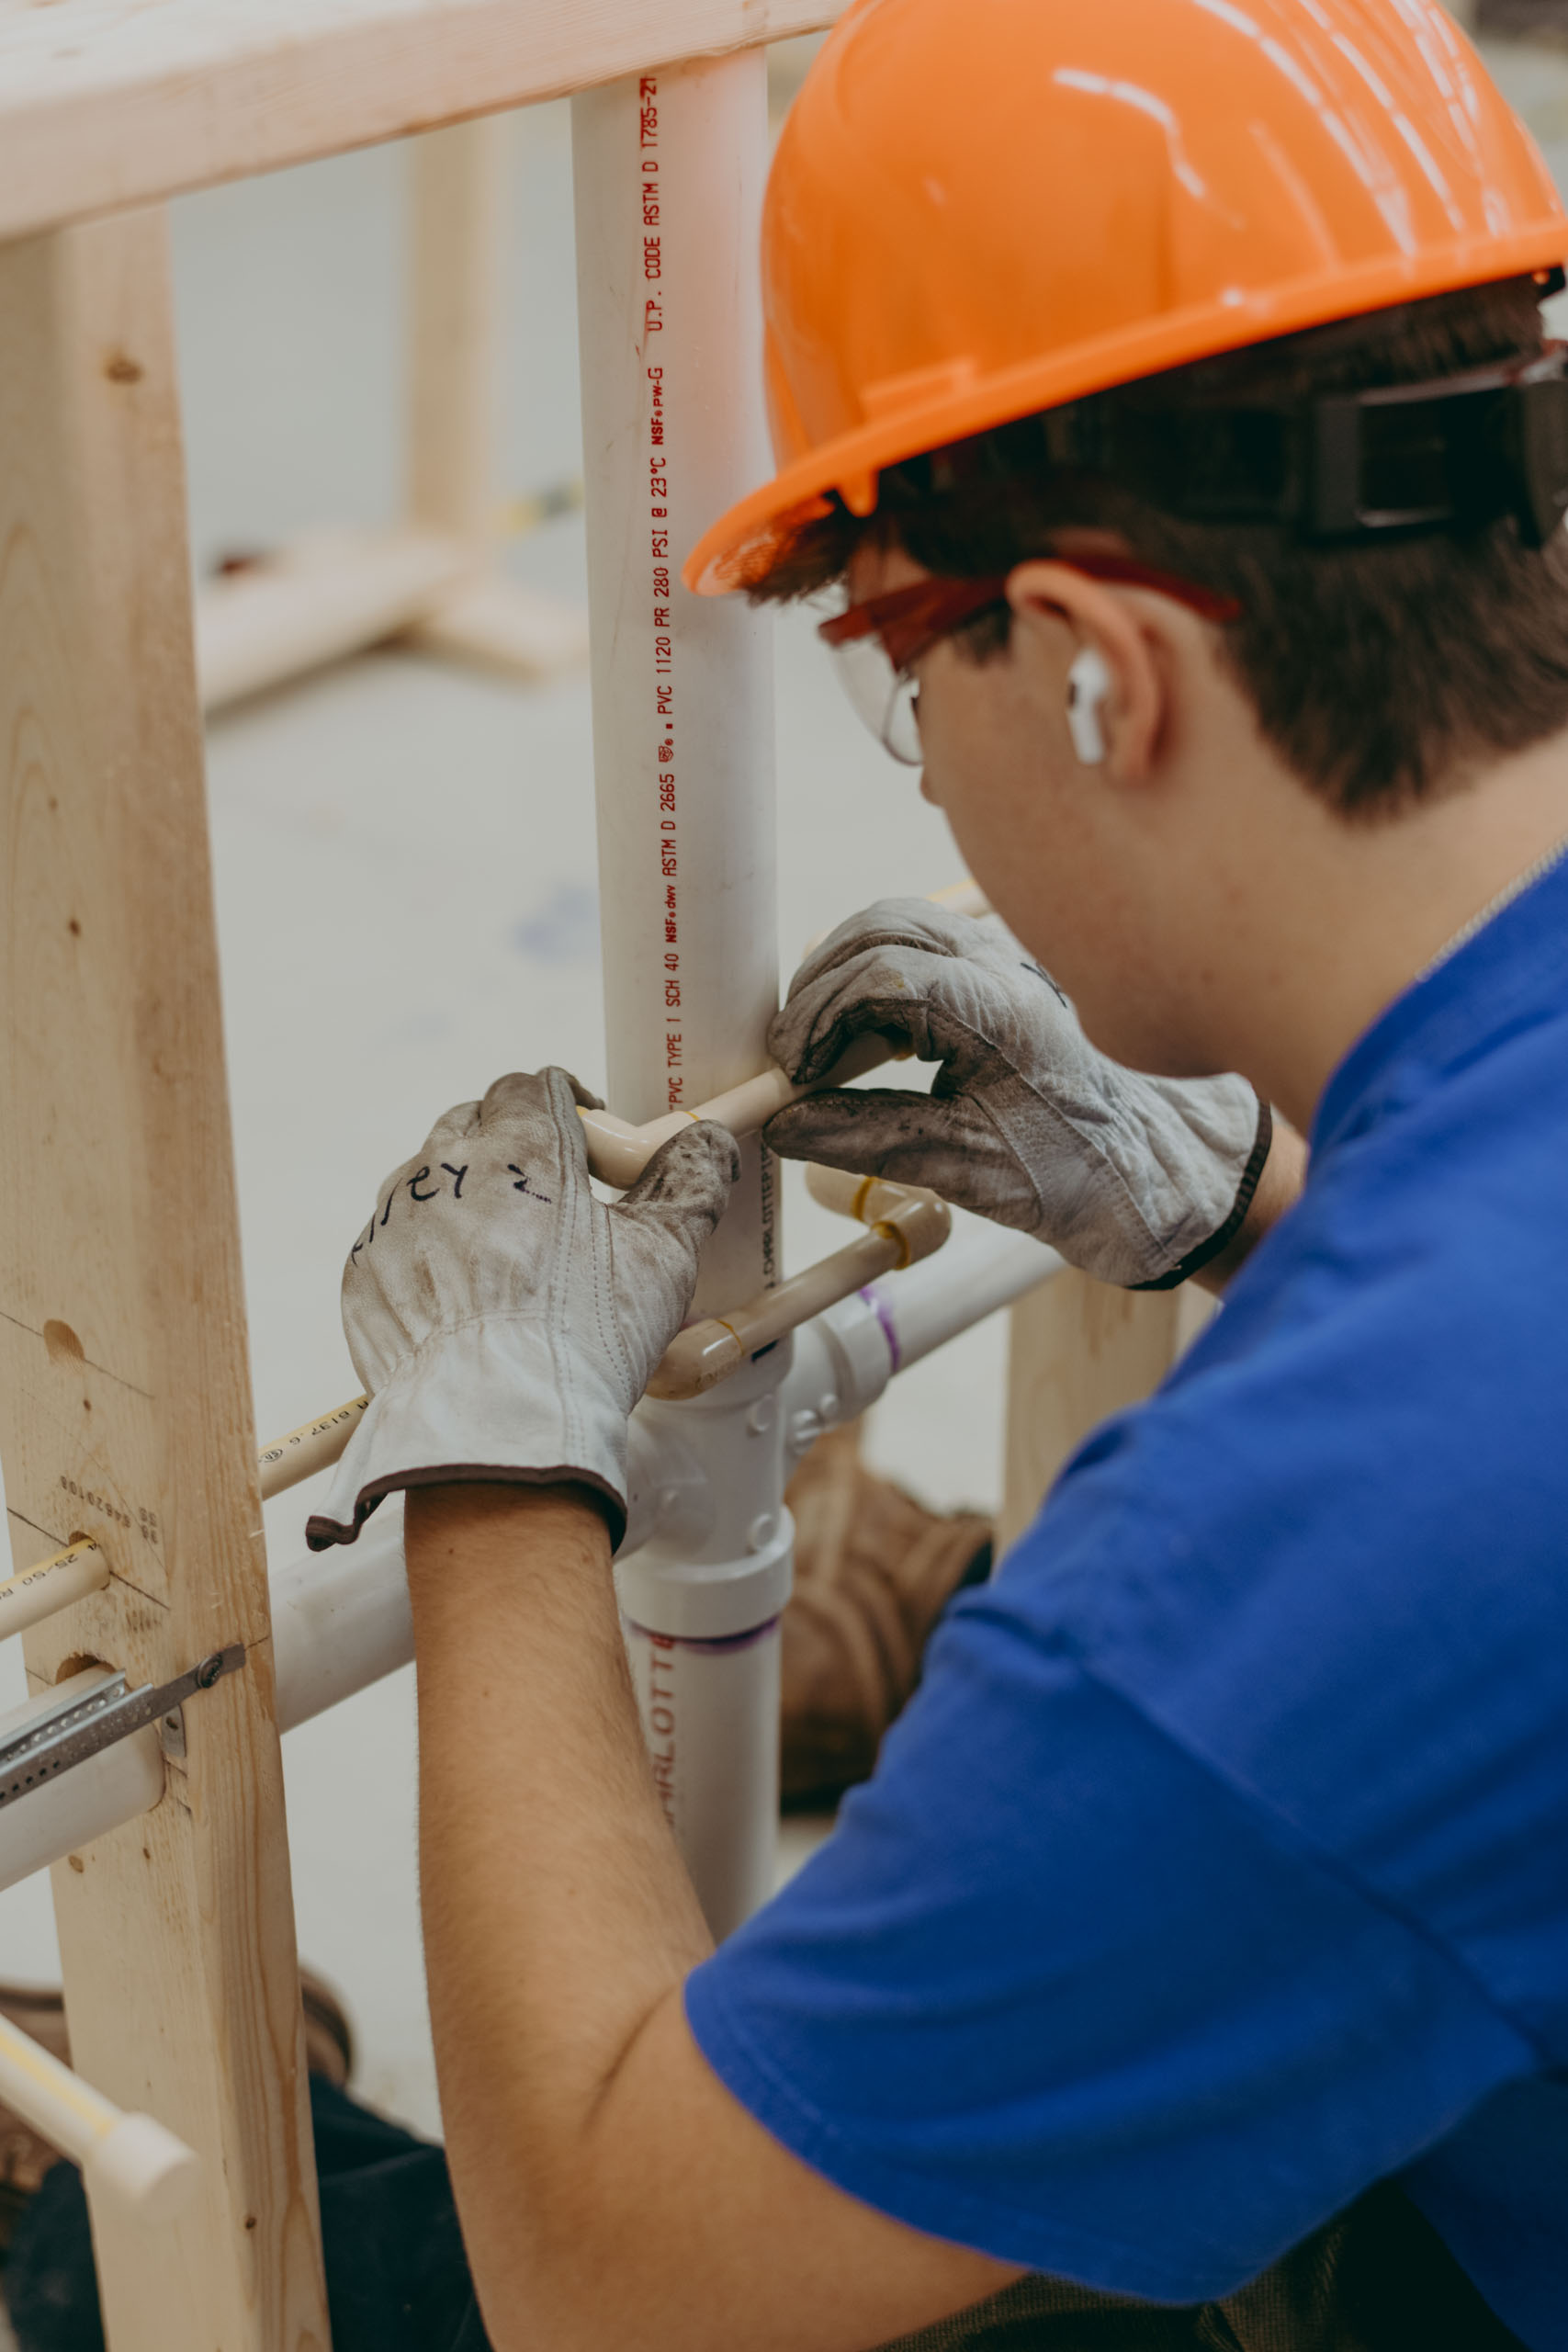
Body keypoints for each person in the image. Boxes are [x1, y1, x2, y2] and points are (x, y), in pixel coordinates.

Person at [274, 1, 1568, 2345]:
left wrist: (489, 1458)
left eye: (893, 660)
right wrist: (1249, 1201)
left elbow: (614, 2273)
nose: (924, 780)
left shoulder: (1288, 1568)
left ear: (1092, 667)